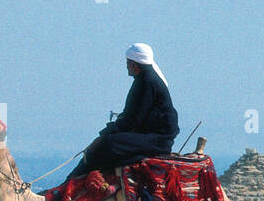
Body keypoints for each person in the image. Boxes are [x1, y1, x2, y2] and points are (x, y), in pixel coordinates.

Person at [65, 43, 179, 180]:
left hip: (158, 139)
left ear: (135, 65)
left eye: (128, 62)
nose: (126, 66)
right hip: (150, 135)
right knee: (107, 143)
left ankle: (73, 181)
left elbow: (133, 120)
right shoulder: (145, 79)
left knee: (108, 144)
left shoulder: (147, 82)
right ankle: (74, 181)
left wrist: (105, 135)